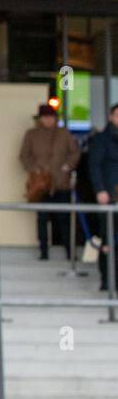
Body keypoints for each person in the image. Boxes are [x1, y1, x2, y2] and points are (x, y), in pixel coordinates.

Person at [19, 103, 80, 260]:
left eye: (51, 117)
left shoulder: (64, 133)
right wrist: (35, 169)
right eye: (45, 117)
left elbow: (75, 153)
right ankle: (44, 252)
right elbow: (24, 156)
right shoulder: (31, 134)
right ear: (40, 118)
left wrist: (67, 167)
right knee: (42, 219)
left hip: (61, 184)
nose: (48, 120)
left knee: (64, 219)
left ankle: (70, 253)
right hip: (41, 184)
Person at [88, 103, 118, 289]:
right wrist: (100, 190)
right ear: (110, 117)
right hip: (109, 195)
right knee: (107, 239)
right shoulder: (101, 139)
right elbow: (95, 166)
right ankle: (106, 280)